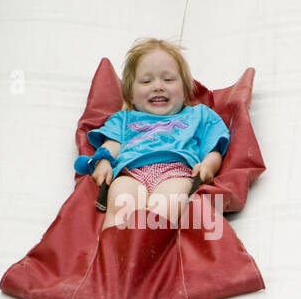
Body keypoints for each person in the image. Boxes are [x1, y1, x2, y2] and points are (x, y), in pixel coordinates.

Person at [82, 38, 229, 231]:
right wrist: (104, 161)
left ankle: (150, 251)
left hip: (175, 172)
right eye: (146, 81)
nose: (158, 86)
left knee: (163, 210)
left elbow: (213, 148)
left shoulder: (198, 115)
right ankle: (113, 252)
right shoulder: (124, 118)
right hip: (130, 173)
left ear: (185, 90)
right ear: (130, 95)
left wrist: (208, 166)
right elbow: (112, 145)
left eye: (168, 79)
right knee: (119, 207)